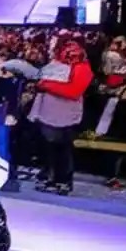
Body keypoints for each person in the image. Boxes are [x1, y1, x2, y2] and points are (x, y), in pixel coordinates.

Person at [29, 38, 93, 195]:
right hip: (48, 113)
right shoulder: (53, 64)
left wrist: (47, 85)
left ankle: (63, 181)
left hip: (67, 115)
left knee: (64, 148)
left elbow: (74, 91)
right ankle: (49, 177)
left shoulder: (83, 68)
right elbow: (40, 87)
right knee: (48, 148)